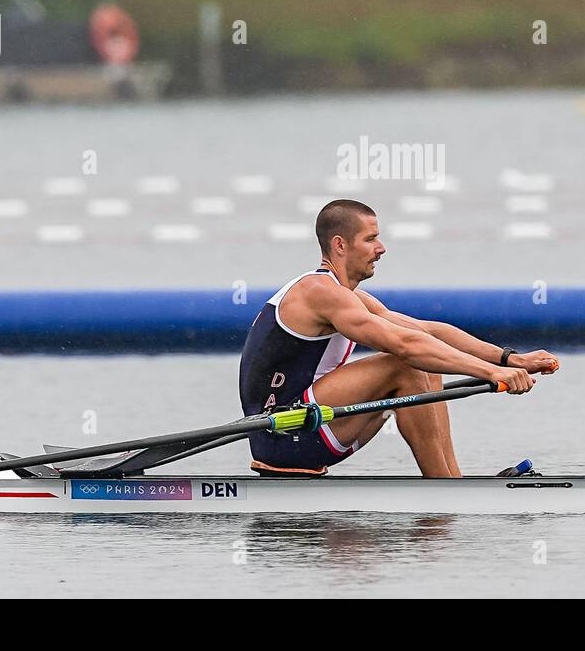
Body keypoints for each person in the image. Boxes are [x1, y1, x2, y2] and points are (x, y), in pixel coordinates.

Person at [238, 199, 559, 477]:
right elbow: (405, 346)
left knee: (427, 362)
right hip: (284, 433)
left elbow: (428, 332)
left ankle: (451, 481)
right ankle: (448, 492)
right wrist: (491, 374)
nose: (381, 248)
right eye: (371, 239)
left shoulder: (349, 298)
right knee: (406, 365)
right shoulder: (319, 293)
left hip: (310, 427)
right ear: (340, 245)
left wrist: (509, 359)